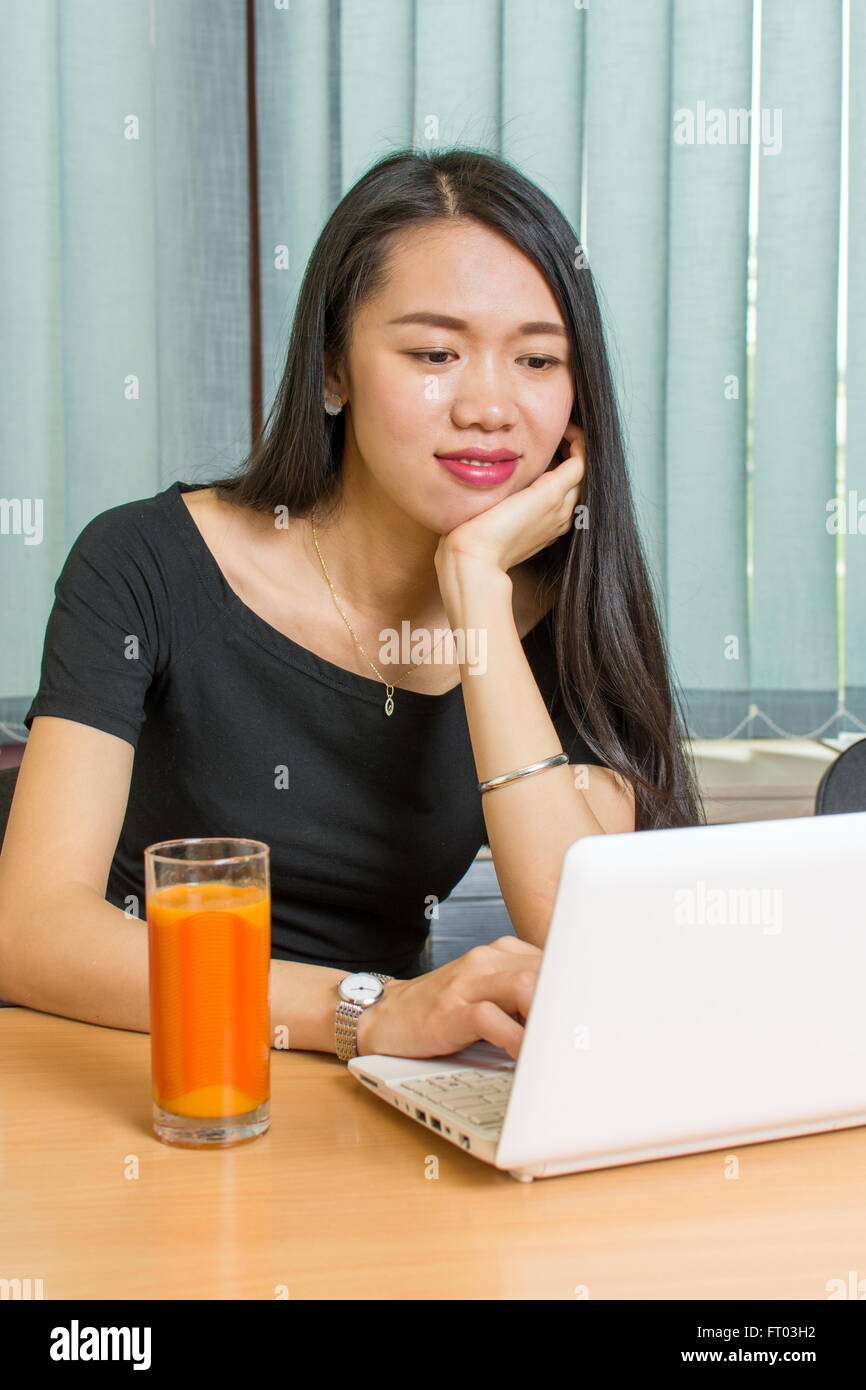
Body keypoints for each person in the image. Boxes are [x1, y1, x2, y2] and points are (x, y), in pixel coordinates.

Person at [0, 146, 703, 1064]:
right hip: (144, 1061)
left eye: (537, 359)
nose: (490, 406)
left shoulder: (558, 602)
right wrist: (366, 1010)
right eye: (434, 353)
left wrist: (478, 591)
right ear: (333, 370)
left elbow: (580, 936)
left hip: (379, 1091)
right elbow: (31, 929)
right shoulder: (145, 560)